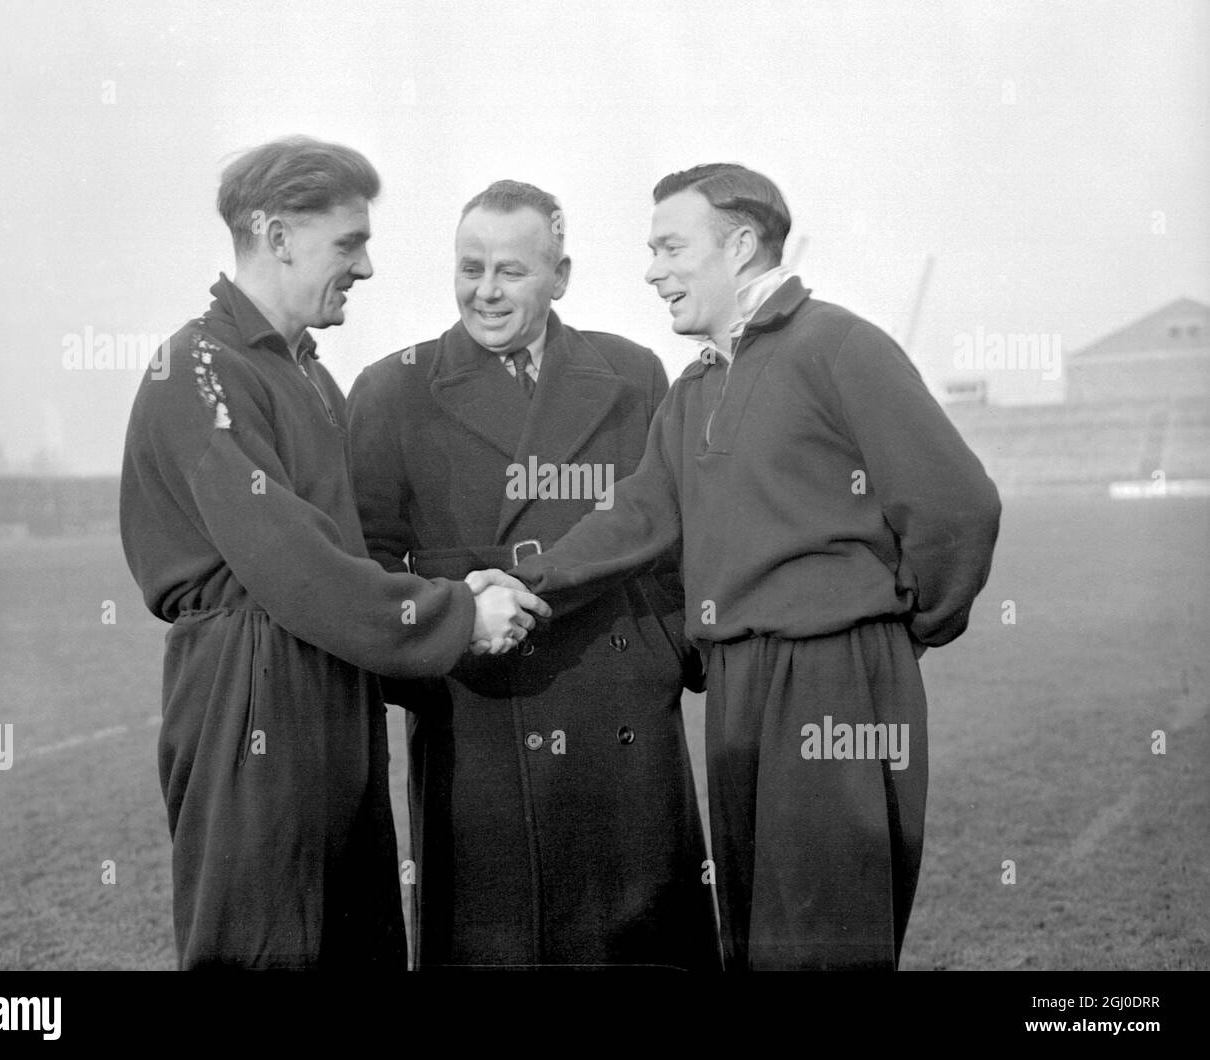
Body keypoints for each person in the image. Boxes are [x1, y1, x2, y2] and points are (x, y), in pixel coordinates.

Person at [505, 163, 1002, 970]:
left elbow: (958, 505)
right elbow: (638, 512)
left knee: (824, 933)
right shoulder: (695, 385)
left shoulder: (839, 343)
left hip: (835, 672)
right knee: (753, 934)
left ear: (739, 246)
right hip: (738, 678)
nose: (651, 270)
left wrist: (894, 629)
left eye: (670, 247)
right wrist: (528, 581)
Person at [118, 138, 548, 970]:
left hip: (328, 681)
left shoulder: (308, 375)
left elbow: (347, 557)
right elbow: (295, 565)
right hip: (251, 687)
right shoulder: (198, 367)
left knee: (354, 944)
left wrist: (452, 589)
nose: (367, 267)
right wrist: (459, 612)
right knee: (266, 943)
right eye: (349, 244)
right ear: (277, 236)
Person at [346, 180, 720, 970]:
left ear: (561, 276)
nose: (484, 291)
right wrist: (449, 655)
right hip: (479, 735)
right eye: (469, 267)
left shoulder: (633, 374)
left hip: (625, 727)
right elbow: (367, 576)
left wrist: (660, 658)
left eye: (510, 271)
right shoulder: (391, 391)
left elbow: (679, 540)